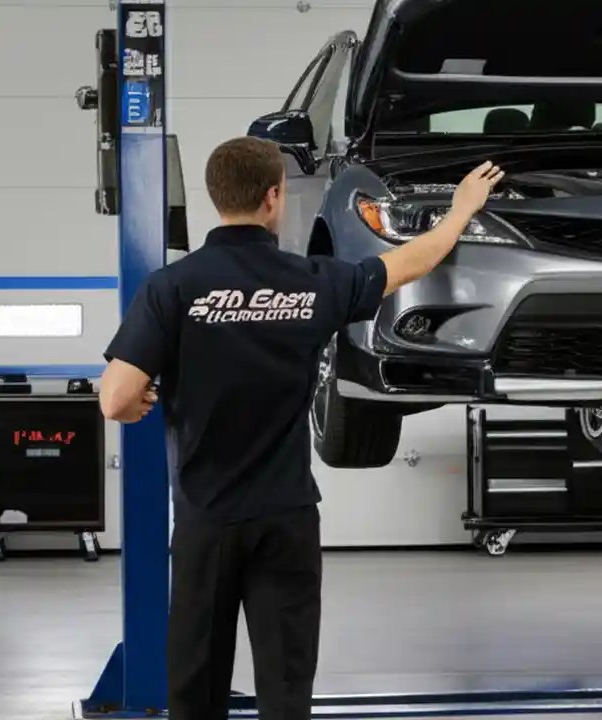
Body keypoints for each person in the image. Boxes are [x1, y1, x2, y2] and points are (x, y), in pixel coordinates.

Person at [99, 136, 503, 720]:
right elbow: (409, 263)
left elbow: (115, 398)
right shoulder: (312, 281)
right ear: (273, 196)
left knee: (194, 688)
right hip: (284, 517)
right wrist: (462, 208)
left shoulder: (173, 287)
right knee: (286, 689)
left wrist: (137, 404)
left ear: (217, 199)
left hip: (205, 520)